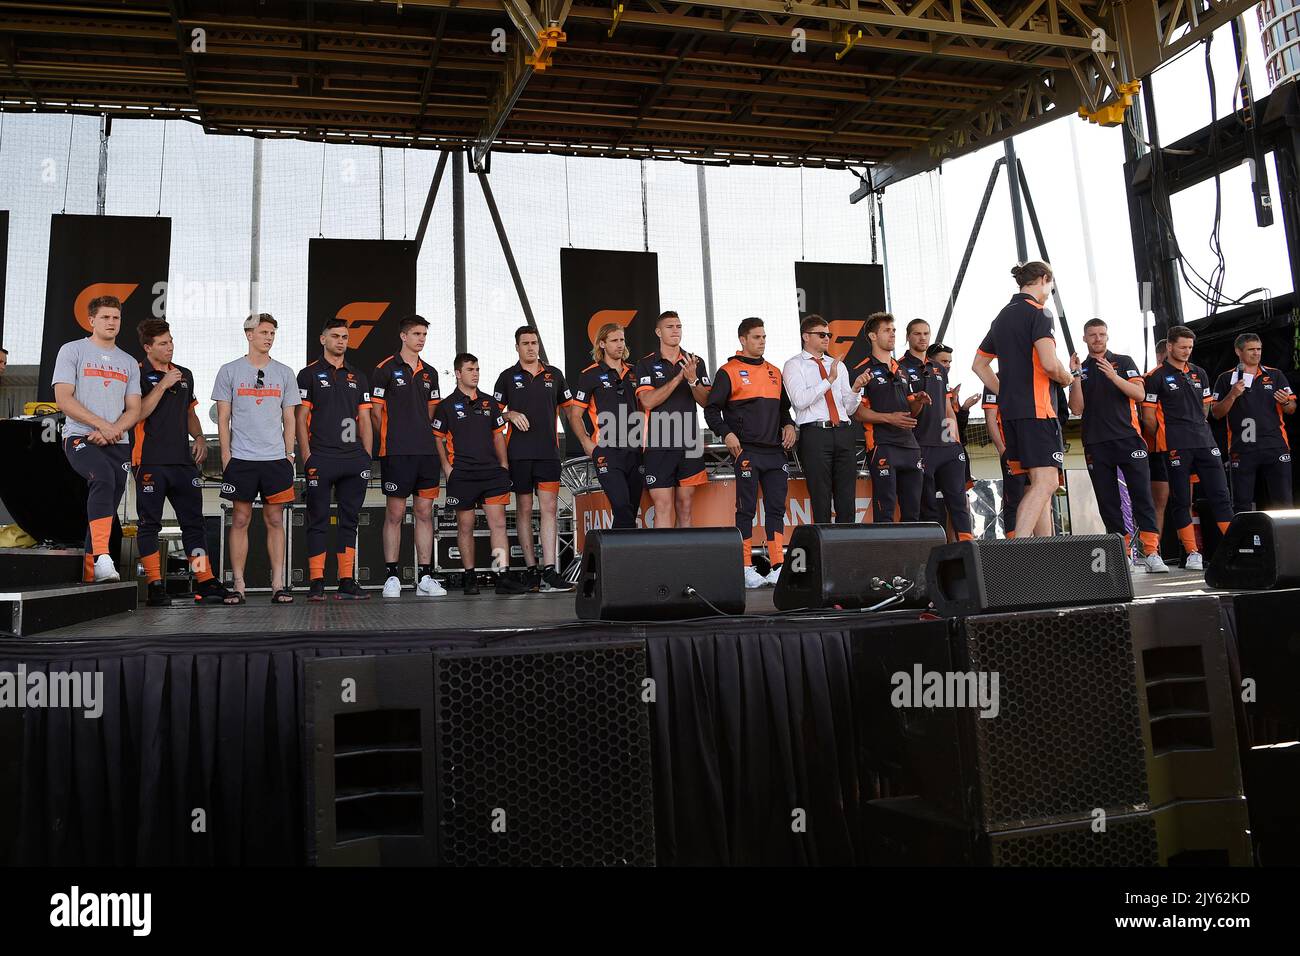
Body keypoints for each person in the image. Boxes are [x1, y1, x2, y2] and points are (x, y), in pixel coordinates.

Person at [972, 261, 1074, 538]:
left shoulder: (1002, 317)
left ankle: (1043, 551)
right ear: (1044, 279)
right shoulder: (1039, 313)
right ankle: (1019, 549)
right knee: (1047, 481)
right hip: (1038, 411)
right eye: (1050, 285)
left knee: (1034, 484)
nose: (1050, 291)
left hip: (1012, 414)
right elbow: (1050, 364)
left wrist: (1004, 393)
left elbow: (979, 365)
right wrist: (1068, 378)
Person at [133, 319, 231, 605]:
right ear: (148, 347)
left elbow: (190, 413)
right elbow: (138, 413)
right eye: (163, 344)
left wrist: (199, 437)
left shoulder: (184, 373)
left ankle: (205, 580)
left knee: (194, 524)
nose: (170, 348)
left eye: (171, 341)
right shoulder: (136, 373)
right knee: (149, 524)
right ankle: (154, 584)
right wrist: (162, 384)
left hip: (182, 463)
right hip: (149, 461)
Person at [51, 295, 141, 583]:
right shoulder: (72, 350)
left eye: (116, 317)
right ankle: (104, 558)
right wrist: (103, 426)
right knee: (101, 477)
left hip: (118, 443)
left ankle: (92, 574)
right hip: (81, 436)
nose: (111, 322)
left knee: (106, 504)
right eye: (105, 317)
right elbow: (63, 398)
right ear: (91, 320)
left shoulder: (128, 362)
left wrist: (112, 431)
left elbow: (135, 408)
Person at [1068, 319, 1168, 572]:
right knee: (1107, 500)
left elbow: (1139, 395)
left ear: (1107, 335)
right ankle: (1122, 553)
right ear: (1085, 338)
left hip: (1128, 439)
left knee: (1141, 495)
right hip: (1096, 442)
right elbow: (1076, 409)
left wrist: (1113, 376)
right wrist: (1076, 376)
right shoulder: (1082, 368)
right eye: (1092, 335)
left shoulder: (1123, 361)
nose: (1098, 339)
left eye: (1102, 334)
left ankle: (1152, 552)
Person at [212, 313, 300, 603]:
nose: (269, 337)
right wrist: (226, 455)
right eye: (263, 332)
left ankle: (278, 584)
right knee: (240, 518)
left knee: (276, 519)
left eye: (272, 332)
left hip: (275, 459)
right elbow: (222, 419)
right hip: (242, 459)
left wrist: (289, 454)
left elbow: (290, 417)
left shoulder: (285, 372)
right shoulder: (229, 370)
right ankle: (238, 585)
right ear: (249, 334)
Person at [704, 317, 797, 589]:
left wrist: (789, 425)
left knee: (777, 508)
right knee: (745, 509)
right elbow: (711, 410)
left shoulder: (774, 371)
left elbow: (783, 410)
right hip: (747, 451)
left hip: (775, 453)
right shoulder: (728, 371)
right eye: (757, 337)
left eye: (764, 337)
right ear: (743, 340)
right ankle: (745, 566)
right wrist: (727, 433)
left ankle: (778, 565)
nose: (762, 342)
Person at [433, 353, 529, 596]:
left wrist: (504, 465)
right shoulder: (446, 406)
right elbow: (438, 439)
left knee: (498, 524)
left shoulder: (490, 403)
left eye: (477, 369)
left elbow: (498, 435)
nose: (475, 373)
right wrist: (446, 467)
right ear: (457, 373)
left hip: (492, 474)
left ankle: (502, 575)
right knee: (465, 525)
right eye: (470, 369)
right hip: (462, 473)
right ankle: (469, 577)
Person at [1141, 325, 1233, 570]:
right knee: (1181, 499)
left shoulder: (1199, 372)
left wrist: (1196, 425)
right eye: (1182, 347)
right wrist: (1166, 437)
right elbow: (1148, 418)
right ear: (1169, 346)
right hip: (1176, 445)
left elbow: (1205, 408)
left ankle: (1235, 545)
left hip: (1205, 442)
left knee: (1221, 495)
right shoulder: (1155, 377)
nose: (1186, 352)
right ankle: (1192, 552)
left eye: (1190, 348)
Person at [493, 326, 577, 592]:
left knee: (549, 509)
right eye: (525, 343)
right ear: (516, 347)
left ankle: (550, 570)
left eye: (534, 342)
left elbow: (572, 412)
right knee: (524, 510)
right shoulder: (506, 377)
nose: (531, 347)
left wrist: (589, 439)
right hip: (517, 454)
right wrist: (508, 415)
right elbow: (490, 416)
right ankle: (532, 570)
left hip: (547, 453)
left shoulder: (555, 375)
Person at [297, 318, 374, 602]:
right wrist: (306, 456)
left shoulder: (358, 376)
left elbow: (365, 419)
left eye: (345, 336)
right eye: (335, 336)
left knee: (349, 521)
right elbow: (300, 418)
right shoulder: (308, 374)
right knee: (317, 520)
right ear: (323, 339)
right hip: (321, 457)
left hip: (354, 459)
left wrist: (366, 456)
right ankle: (316, 582)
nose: (341, 341)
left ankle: (346, 580)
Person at [370, 315, 445, 598]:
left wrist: (419, 432)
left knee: (424, 513)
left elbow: (431, 412)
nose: (421, 339)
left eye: (424, 334)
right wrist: (394, 436)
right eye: (416, 334)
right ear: (403, 336)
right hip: (396, 452)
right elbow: (376, 413)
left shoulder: (431, 372)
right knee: (396, 513)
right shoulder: (384, 369)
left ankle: (425, 577)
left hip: (426, 453)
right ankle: (392, 576)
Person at [634, 311, 711, 527]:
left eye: (678, 326)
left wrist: (693, 380)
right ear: (658, 332)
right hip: (658, 444)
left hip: (689, 442)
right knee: (663, 506)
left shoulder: (695, 361)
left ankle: (684, 559)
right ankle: (663, 560)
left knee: (685, 505)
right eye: (670, 326)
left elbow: (706, 402)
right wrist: (679, 378)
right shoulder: (646, 363)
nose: (675, 330)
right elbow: (647, 401)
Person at [783, 315, 861, 524]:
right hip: (816, 434)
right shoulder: (794, 365)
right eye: (821, 334)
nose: (827, 338)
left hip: (843, 430)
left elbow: (850, 408)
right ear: (806, 336)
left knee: (847, 498)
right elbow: (799, 401)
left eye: (829, 334)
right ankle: (824, 550)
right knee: (821, 497)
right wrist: (829, 380)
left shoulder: (837, 365)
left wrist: (856, 390)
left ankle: (846, 550)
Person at [567, 324, 644, 530]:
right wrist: (586, 442)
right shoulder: (589, 375)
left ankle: (617, 559)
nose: (620, 345)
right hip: (607, 450)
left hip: (636, 449)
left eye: (622, 340)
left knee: (629, 510)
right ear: (602, 343)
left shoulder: (636, 372)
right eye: (614, 340)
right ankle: (618, 558)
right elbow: (575, 415)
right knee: (621, 506)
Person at [900, 322, 972, 540]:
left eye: (926, 334)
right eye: (917, 334)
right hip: (919, 445)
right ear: (908, 336)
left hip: (947, 447)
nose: (922, 338)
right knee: (928, 506)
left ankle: (969, 554)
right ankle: (932, 555)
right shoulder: (899, 367)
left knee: (959, 502)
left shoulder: (939, 368)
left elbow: (948, 406)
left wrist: (955, 440)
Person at [852, 312, 924, 522]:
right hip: (882, 445)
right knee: (886, 510)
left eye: (894, 330)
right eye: (887, 330)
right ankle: (886, 555)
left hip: (910, 445)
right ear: (873, 336)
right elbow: (857, 412)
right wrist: (890, 418)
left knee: (913, 511)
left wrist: (919, 400)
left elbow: (912, 412)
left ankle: (914, 555)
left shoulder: (901, 369)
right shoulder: (861, 369)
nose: (893, 334)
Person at [1211, 332, 1295, 511]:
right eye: (1251, 349)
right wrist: (1232, 395)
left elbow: (1292, 408)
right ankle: (1248, 539)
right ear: (1238, 351)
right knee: (1242, 503)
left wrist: (1286, 401)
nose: (1256, 353)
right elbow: (1216, 413)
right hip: (1243, 447)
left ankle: (1284, 539)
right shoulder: (1226, 378)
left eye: (1259, 349)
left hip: (1275, 444)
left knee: (1283, 501)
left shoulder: (1275, 374)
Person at [981, 383, 1026, 537]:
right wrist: (1002, 449)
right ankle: (1015, 548)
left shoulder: (1033, 374)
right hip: (1011, 451)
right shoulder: (993, 379)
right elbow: (991, 418)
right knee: (1014, 500)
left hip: (1035, 449)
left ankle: (1042, 544)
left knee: (1041, 496)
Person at [1144, 339, 1171, 543]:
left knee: (1184, 500)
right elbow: (1146, 417)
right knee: (1159, 501)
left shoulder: (1189, 375)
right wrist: (1161, 437)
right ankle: (1155, 550)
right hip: (1157, 449)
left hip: (1184, 446)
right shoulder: (1149, 378)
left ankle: (1189, 551)